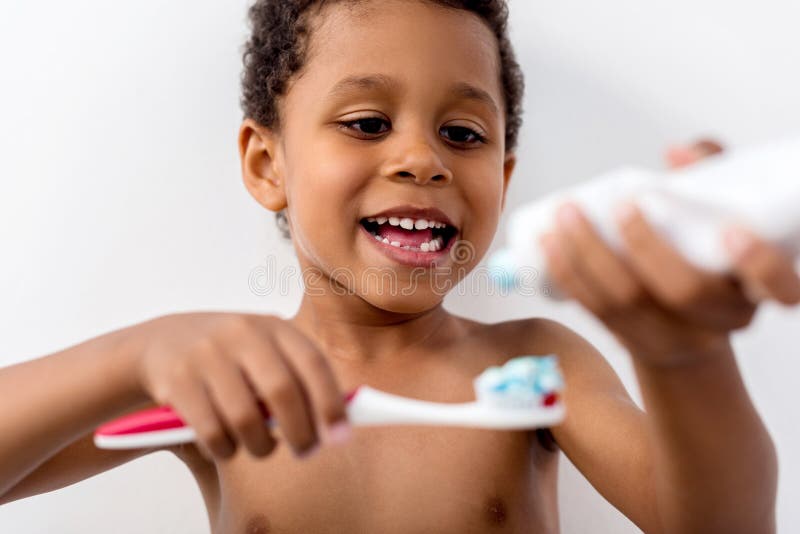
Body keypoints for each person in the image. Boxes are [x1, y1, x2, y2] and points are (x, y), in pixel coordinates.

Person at [1, 1, 798, 532]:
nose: (420, 157)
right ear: (266, 163)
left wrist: (685, 355)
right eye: (367, 121)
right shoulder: (225, 384)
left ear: (506, 178)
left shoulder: (536, 363)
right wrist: (135, 356)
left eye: (463, 134)